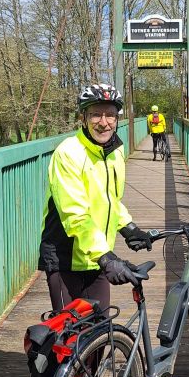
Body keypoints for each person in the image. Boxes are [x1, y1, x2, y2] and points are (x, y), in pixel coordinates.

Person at [38, 82, 153, 317]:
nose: (104, 122)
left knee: (99, 333)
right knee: (68, 338)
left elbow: (110, 198)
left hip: (97, 256)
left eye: (110, 115)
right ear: (83, 117)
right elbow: (75, 214)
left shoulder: (114, 152)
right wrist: (106, 257)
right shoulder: (69, 152)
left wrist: (129, 228)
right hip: (66, 256)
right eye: (96, 114)